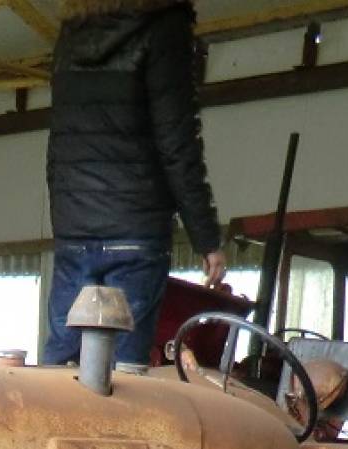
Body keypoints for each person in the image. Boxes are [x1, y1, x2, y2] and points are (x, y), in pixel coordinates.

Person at [41, 0, 225, 368]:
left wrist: (67, 219)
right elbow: (177, 141)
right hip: (135, 231)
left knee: (56, 371)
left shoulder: (72, 31)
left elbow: (60, 140)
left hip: (74, 231)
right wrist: (206, 238)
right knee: (125, 375)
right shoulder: (163, 27)